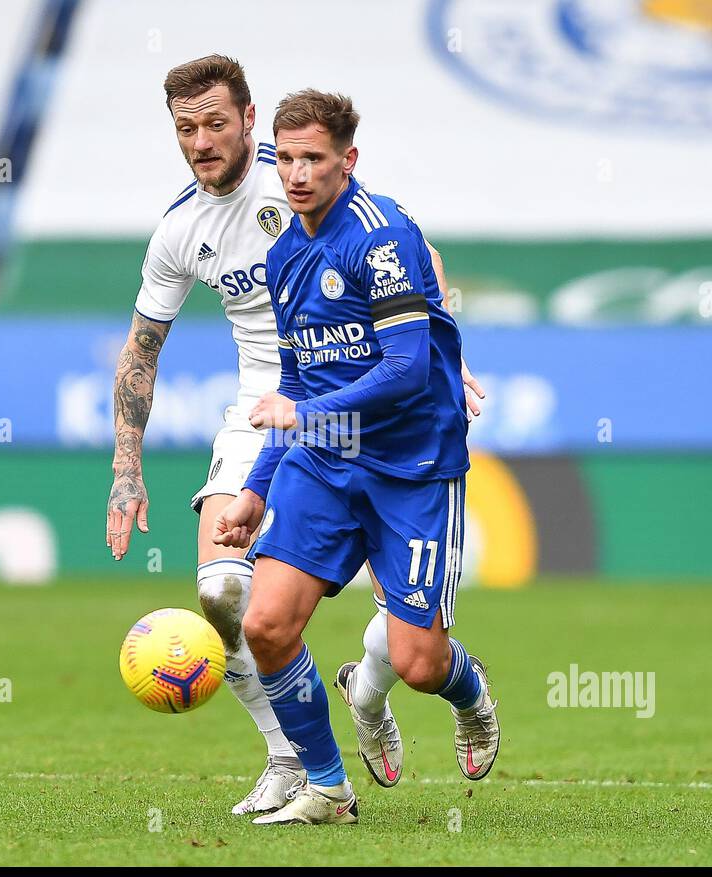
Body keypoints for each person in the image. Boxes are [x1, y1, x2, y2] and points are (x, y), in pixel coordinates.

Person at [106, 56, 485, 816]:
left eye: (217, 122)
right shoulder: (187, 230)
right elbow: (143, 347)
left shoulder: (314, 178)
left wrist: (452, 359)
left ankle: (387, 689)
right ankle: (300, 766)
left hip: (376, 424)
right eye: (187, 128)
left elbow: (415, 268)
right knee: (228, 596)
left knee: (415, 655)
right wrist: (129, 468)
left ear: (251, 124)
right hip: (275, 408)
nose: (203, 140)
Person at [213, 90, 501, 825]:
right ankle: (329, 789)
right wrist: (254, 488)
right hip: (324, 462)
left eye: (315, 158)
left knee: (419, 663)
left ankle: (470, 695)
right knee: (265, 624)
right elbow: (298, 380)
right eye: (288, 158)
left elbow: (406, 369)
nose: (298, 173)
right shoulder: (283, 256)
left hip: (412, 467)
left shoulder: (381, 236)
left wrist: (303, 414)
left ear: (349, 159)